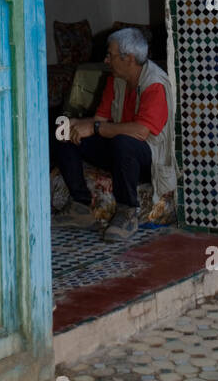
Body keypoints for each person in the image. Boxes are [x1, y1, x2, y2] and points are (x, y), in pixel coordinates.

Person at [53, 26, 175, 242]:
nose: (106, 60)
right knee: (64, 131)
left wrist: (96, 128)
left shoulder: (155, 84)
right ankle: (81, 206)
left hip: (148, 159)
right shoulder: (115, 79)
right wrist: (77, 123)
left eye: (110, 55)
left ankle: (127, 212)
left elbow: (141, 131)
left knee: (123, 142)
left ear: (128, 58)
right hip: (120, 152)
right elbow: (99, 119)